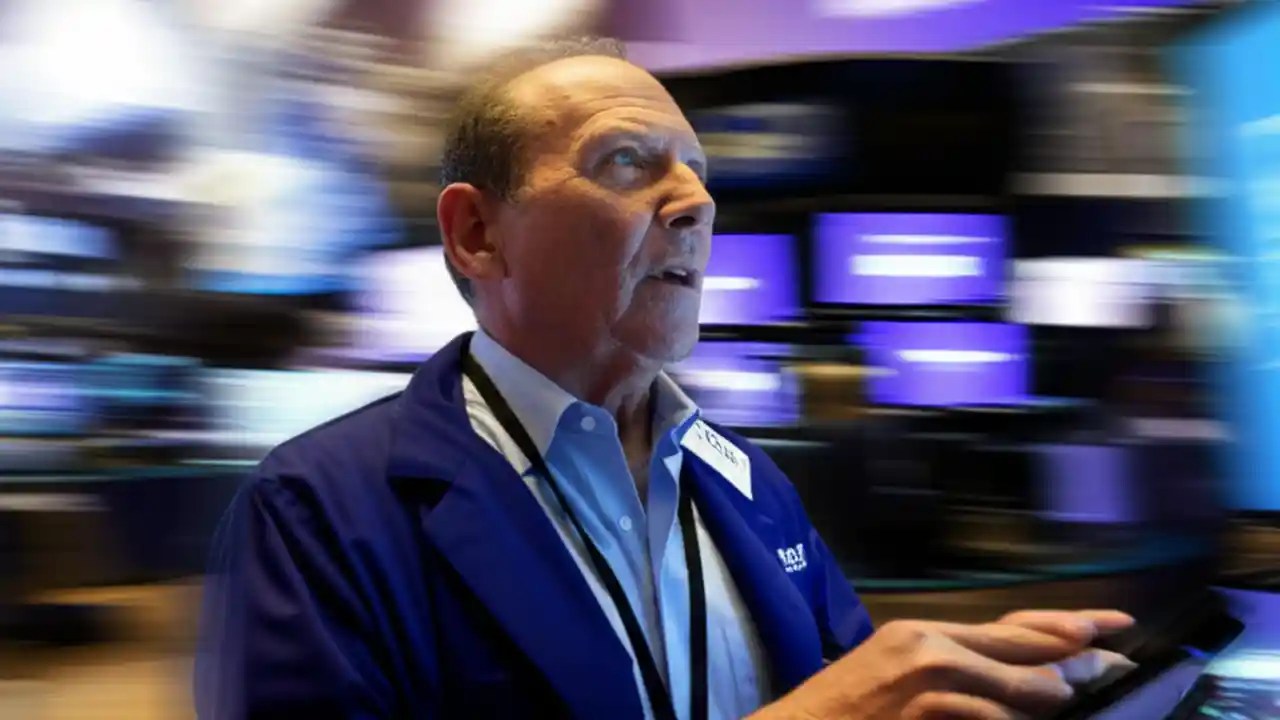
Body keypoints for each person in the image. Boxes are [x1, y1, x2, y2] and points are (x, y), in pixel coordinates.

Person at [195, 37, 1135, 720]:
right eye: (627, 163)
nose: (695, 203)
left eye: (698, 171)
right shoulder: (315, 513)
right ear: (477, 233)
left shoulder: (749, 483)